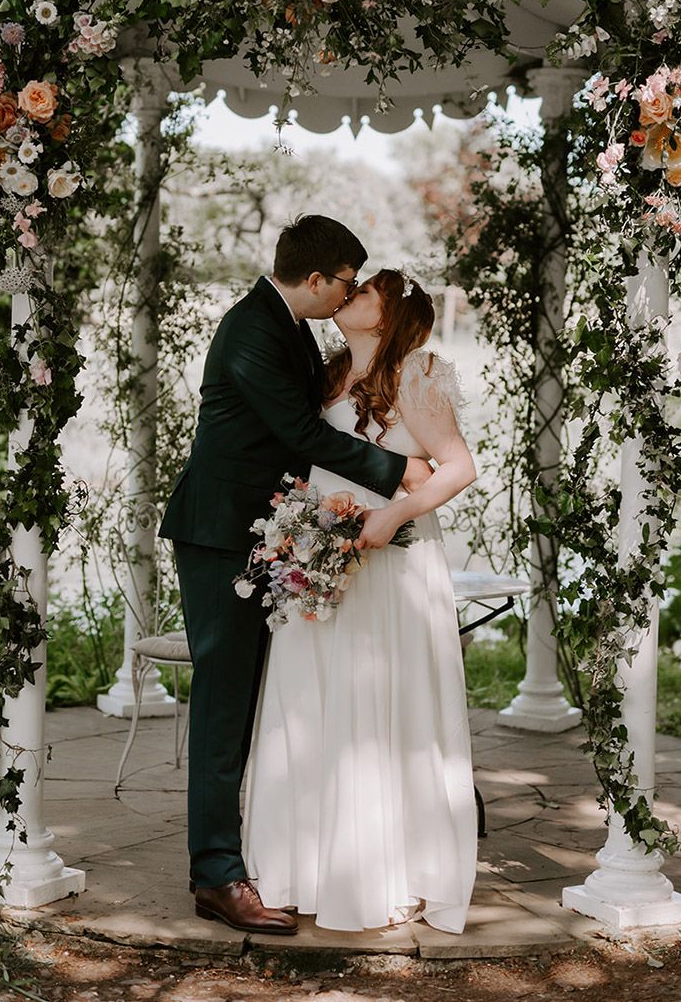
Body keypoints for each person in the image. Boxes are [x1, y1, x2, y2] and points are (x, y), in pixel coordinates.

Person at [159, 220, 433, 936]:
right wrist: (402, 472)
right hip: (221, 536)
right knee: (224, 707)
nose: (348, 293)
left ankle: (269, 851)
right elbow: (301, 434)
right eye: (347, 280)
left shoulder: (290, 328)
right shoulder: (251, 330)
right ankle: (217, 877)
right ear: (317, 280)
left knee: (259, 701)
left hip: (268, 535)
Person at [245, 269, 478, 933]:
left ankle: (386, 871)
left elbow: (457, 467)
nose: (349, 296)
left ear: (389, 314)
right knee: (309, 702)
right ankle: (302, 867)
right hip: (319, 554)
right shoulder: (327, 373)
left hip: (387, 564)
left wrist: (392, 515)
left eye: (366, 291)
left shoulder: (416, 373)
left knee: (379, 712)